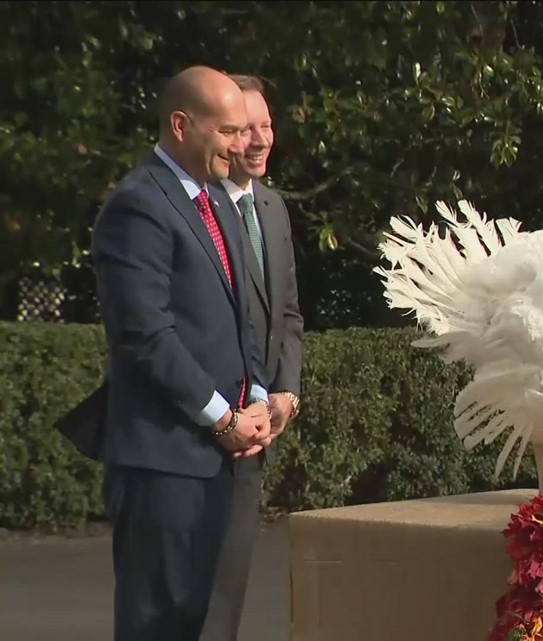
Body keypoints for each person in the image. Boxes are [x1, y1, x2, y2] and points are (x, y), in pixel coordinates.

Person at [90, 65, 273, 641]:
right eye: (227, 132)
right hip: (164, 465)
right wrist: (222, 417)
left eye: (244, 131)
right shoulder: (138, 205)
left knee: (208, 624)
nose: (242, 144)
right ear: (180, 125)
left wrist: (260, 397)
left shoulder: (215, 201)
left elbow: (244, 317)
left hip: (223, 462)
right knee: (161, 625)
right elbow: (146, 336)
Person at [200, 73, 304, 641]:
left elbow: (287, 313)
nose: (260, 140)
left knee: (230, 587)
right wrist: (229, 415)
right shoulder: (197, 209)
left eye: (267, 126)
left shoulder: (274, 208)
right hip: (204, 428)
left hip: (257, 430)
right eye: (246, 129)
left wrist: (284, 392)